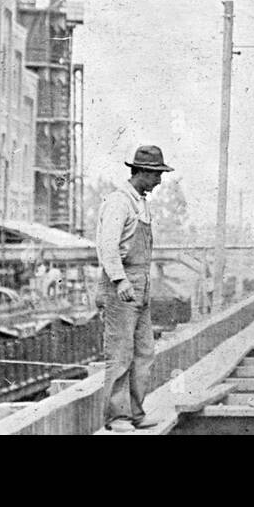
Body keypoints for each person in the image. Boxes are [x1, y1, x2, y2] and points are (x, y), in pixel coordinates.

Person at [97, 144, 173, 432]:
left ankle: (135, 413)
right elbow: (108, 246)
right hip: (124, 284)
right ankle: (117, 417)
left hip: (141, 284)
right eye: (156, 174)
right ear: (141, 172)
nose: (159, 180)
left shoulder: (141, 202)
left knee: (144, 352)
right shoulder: (119, 201)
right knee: (120, 352)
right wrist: (119, 280)